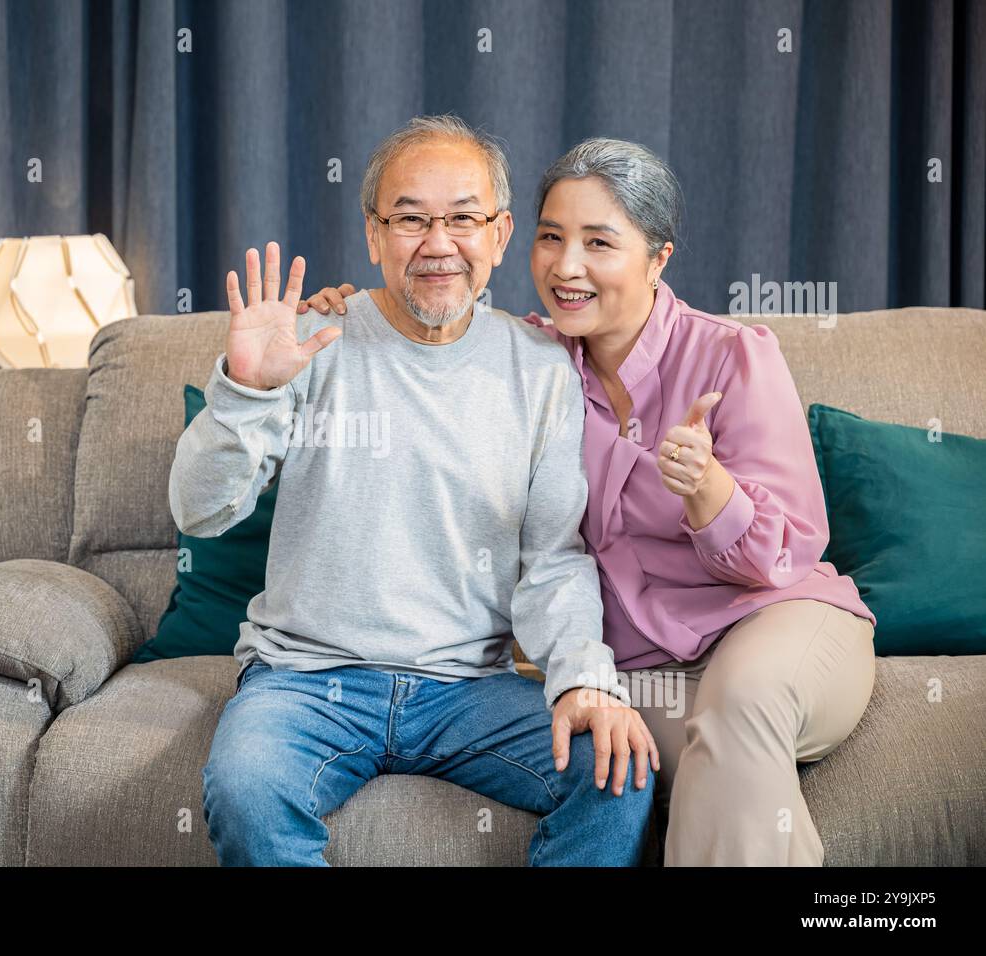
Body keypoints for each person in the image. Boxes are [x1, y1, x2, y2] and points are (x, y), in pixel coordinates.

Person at [299, 137, 877, 866]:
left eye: (599, 242)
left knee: (740, 708)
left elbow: (785, 554)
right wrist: (347, 313)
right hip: (642, 671)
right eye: (551, 238)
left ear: (658, 258)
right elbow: (423, 334)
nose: (566, 266)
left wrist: (709, 489)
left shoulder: (731, 355)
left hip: (773, 623)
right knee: (627, 760)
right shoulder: (529, 365)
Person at [170, 116, 655, 867]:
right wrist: (244, 392)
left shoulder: (542, 368)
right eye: (410, 219)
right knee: (246, 789)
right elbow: (200, 511)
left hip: (470, 691)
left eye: (463, 218)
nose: (438, 244)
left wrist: (583, 682)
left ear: (499, 235)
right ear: (374, 234)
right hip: (307, 681)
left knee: (617, 774)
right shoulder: (310, 342)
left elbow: (554, 560)